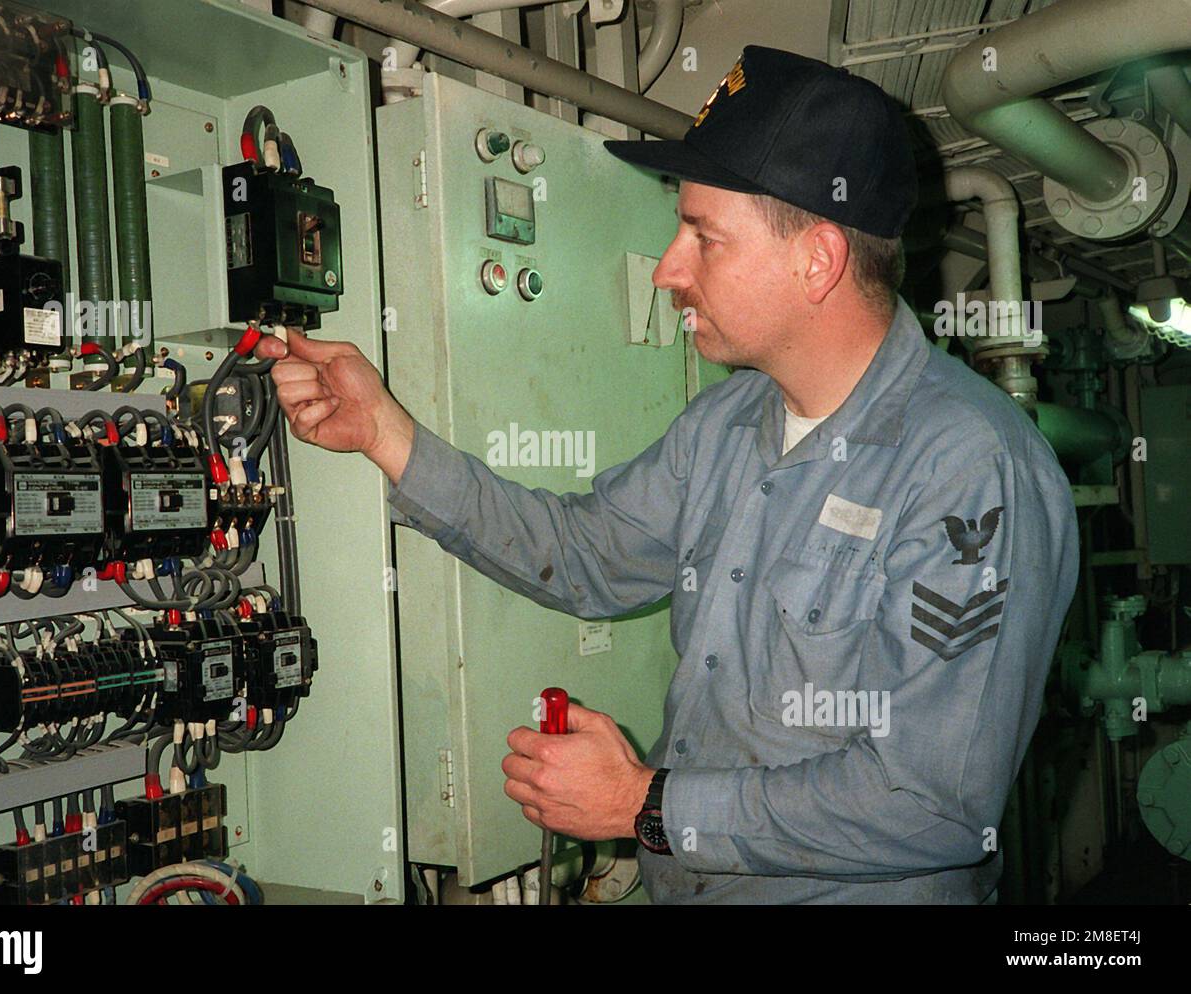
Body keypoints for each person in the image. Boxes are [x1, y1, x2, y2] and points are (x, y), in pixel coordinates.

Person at [255, 45, 1079, 903]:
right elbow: (584, 554)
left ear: (817, 260)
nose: (667, 270)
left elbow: (930, 803)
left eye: (704, 238)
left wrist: (643, 805)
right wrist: (386, 433)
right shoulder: (725, 426)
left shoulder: (970, 469)